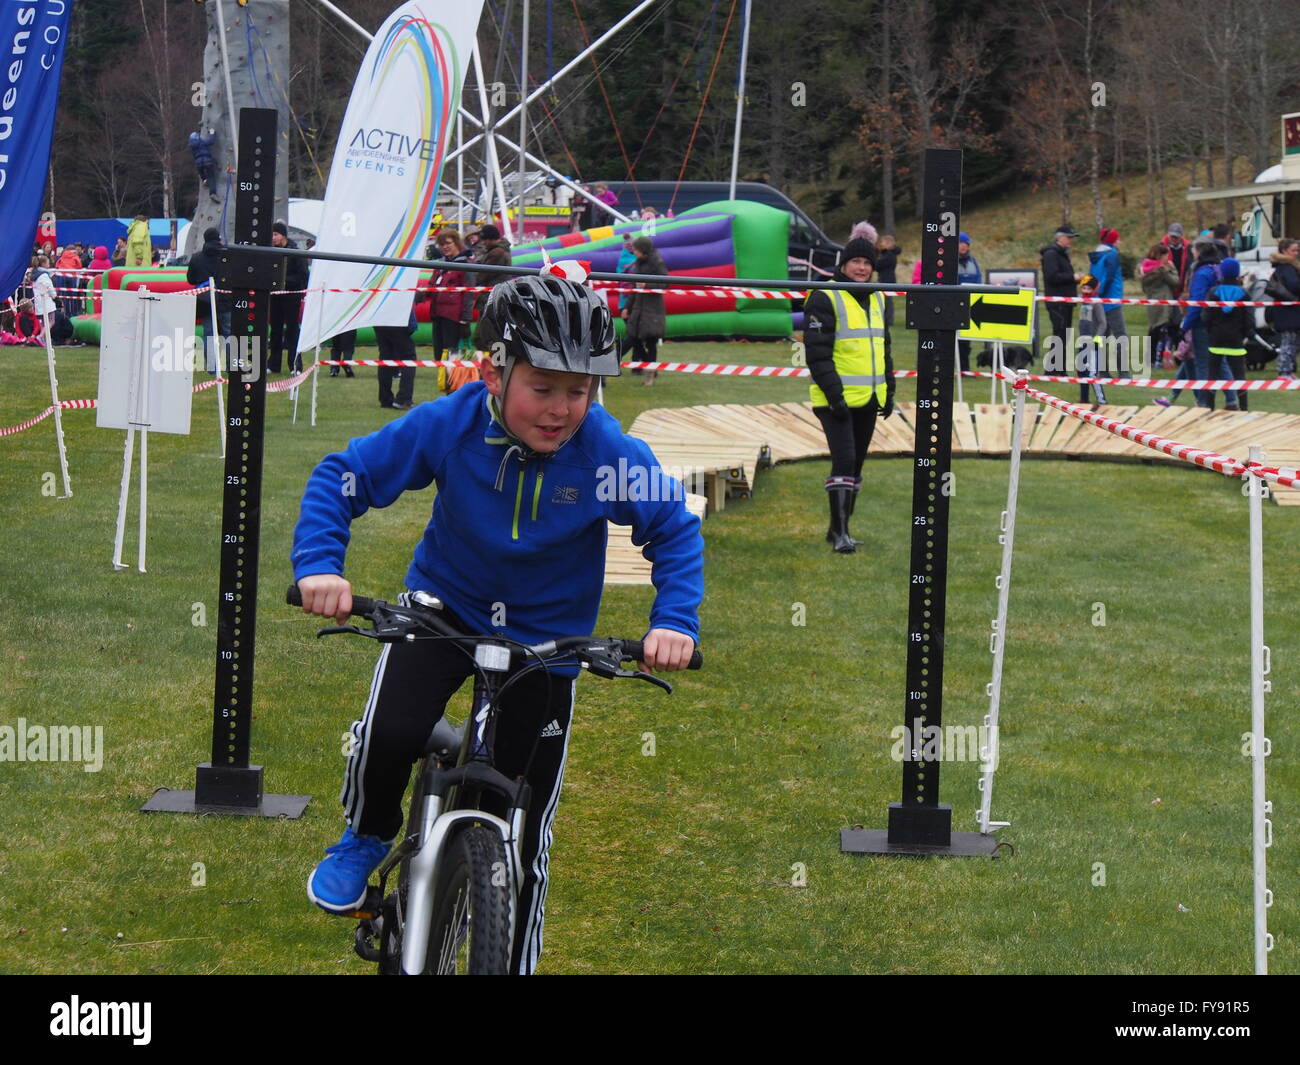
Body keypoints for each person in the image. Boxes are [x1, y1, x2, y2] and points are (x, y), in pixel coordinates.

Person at [292, 274, 703, 975]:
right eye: (542, 387)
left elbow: (673, 528)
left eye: (581, 390)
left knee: (527, 822)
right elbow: (344, 476)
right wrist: (320, 567)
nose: (562, 409)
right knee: (391, 729)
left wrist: (674, 619)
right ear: (493, 372)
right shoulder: (450, 424)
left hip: (548, 645)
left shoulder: (605, 452)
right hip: (444, 609)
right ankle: (365, 833)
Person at [804, 237, 895, 553]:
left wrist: (889, 388)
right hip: (835, 399)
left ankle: (838, 529)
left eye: (867, 263)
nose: (862, 268)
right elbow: (816, 353)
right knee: (843, 459)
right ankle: (841, 534)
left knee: (856, 464)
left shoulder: (880, 298)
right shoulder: (824, 296)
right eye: (856, 261)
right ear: (844, 264)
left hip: (869, 397)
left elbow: (884, 347)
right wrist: (834, 394)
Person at [1180, 239, 1229, 409]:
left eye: (1193, 250)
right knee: (1220, 362)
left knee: (1202, 364)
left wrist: (1185, 325)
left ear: (1199, 253)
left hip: (1202, 323)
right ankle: (1232, 400)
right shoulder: (1218, 269)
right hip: (1219, 322)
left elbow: (1197, 302)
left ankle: (1203, 402)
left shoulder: (1201, 273)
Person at [1202, 258, 1252, 411]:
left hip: (1216, 340)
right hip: (1236, 340)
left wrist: (1210, 331)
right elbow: (1249, 319)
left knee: (1212, 376)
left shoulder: (1213, 292)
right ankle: (1243, 408)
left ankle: (1209, 408)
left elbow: (1206, 317)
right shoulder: (1243, 293)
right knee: (1239, 377)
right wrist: (1245, 333)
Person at [187, 227, 233, 375]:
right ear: (219, 239)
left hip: (205, 300)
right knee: (228, 332)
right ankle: (229, 365)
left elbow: (190, 279)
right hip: (226, 299)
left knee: (209, 334)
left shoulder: (196, 258)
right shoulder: (228, 257)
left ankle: (212, 368)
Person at [623, 235, 668, 386]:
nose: (634, 252)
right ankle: (650, 367)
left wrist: (647, 285)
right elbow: (635, 287)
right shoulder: (638, 263)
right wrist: (627, 308)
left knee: (651, 343)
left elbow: (665, 283)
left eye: (635, 249)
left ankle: (650, 374)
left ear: (643, 250)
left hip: (652, 309)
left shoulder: (658, 262)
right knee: (633, 339)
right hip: (637, 308)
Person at [427, 228, 474, 366]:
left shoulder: (464, 264)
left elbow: (469, 293)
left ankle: (453, 378)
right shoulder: (441, 264)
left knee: (451, 351)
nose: (445, 247)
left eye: (448, 243)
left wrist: (465, 319)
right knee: (439, 351)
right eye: (442, 244)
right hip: (437, 313)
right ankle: (444, 378)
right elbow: (431, 286)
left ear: (456, 243)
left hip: (454, 316)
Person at [267, 221, 308, 374]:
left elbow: (303, 276)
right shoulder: (272, 252)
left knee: (292, 330)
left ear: (283, 236)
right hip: (276, 296)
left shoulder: (296, 252)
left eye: (275, 234)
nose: (273, 238)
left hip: (292, 296)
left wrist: (284, 282)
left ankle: (295, 365)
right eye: (272, 234)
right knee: (275, 330)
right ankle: (273, 365)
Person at [1040, 225, 1080, 373]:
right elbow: (1052, 276)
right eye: (1069, 237)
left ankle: (1058, 368)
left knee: (1063, 334)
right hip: (1057, 301)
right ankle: (1053, 369)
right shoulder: (1051, 254)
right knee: (1060, 334)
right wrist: (1073, 277)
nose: (1071, 241)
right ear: (1059, 237)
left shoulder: (1061, 253)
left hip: (1065, 300)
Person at [469, 224, 511, 350]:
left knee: (483, 336)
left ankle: (489, 365)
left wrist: (473, 275)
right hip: (496, 297)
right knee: (491, 335)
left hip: (491, 298)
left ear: (489, 239)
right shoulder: (502, 250)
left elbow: (482, 275)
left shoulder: (496, 253)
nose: (483, 243)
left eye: (485, 240)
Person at [1139, 243, 1179, 366]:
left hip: (1152, 301)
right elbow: (1175, 281)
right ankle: (1160, 358)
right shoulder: (1162, 270)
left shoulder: (1144, 268)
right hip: (1163, 302)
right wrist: (1172, 269)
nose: (1168, 259)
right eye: (1166, 256)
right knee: (1164, 330)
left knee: (1153, 329)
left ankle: (1150, 358)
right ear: (1160, 256)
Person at [1268, 237, 1300, 381]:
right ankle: (1283, 371)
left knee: (1292, 342)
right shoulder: (1287, 267)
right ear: (1284, 251)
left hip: (1289, 310)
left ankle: (1289, 370)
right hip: (1287, 311)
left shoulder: (1287, 266)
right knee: (1288, 342)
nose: (1296, 253)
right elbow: (1294, 285)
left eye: (1297, 250)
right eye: (1293, 250)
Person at [375, 308, 419, 409]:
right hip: (398, 319)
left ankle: (385, 399)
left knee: (385, 358)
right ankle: (403, 399)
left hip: (379, 319)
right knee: (409, 357)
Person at [1074, 275, 1109, 404]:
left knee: (1092, 373)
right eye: (1083, 287)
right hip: (1083, 341)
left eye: (1088, 288)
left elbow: (1102, 323)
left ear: (1094, 289)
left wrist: (1096, 339)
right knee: (1082, 371)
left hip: (1094, 343)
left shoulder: (1096, 303)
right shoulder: (1084, 302)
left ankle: (1102, 401)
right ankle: (1084, 399)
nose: (1085, 290)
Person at [955, 233, 981, 373]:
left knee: (965, 340)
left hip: (970, 304)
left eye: (966, 244)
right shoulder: (950, 261)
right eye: (960, 243)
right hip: (954, 304)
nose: (963, 246)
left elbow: (978, 279)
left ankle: (964, 369)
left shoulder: (973, 261)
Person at [189, 128, 221, 204]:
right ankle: (212, 193)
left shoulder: (192, 147)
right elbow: (211, 141)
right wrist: (212, 133)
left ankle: (205, 180)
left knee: (202, 175)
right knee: (211, 177)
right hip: (207, 162)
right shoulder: (201, 142)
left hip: (199, 164)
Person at [1160, 223, 1193, 297]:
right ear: (1168, 235)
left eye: (1176, 237)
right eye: (1172, 236)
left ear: (1181, 236)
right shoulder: (1160, 247)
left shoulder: (1189, 248)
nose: (1174, 239)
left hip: (1183, 287)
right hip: (1166, 287)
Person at [875, 233, 899, 327]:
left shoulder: (889, 255)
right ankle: (886, 318)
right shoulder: (887, 254)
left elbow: (878, 265)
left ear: (889, 243)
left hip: (887, 280)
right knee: (886, 300)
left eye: (883, 242)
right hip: (885, 279)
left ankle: (889, 320)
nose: (881, 244)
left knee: (887, 301)